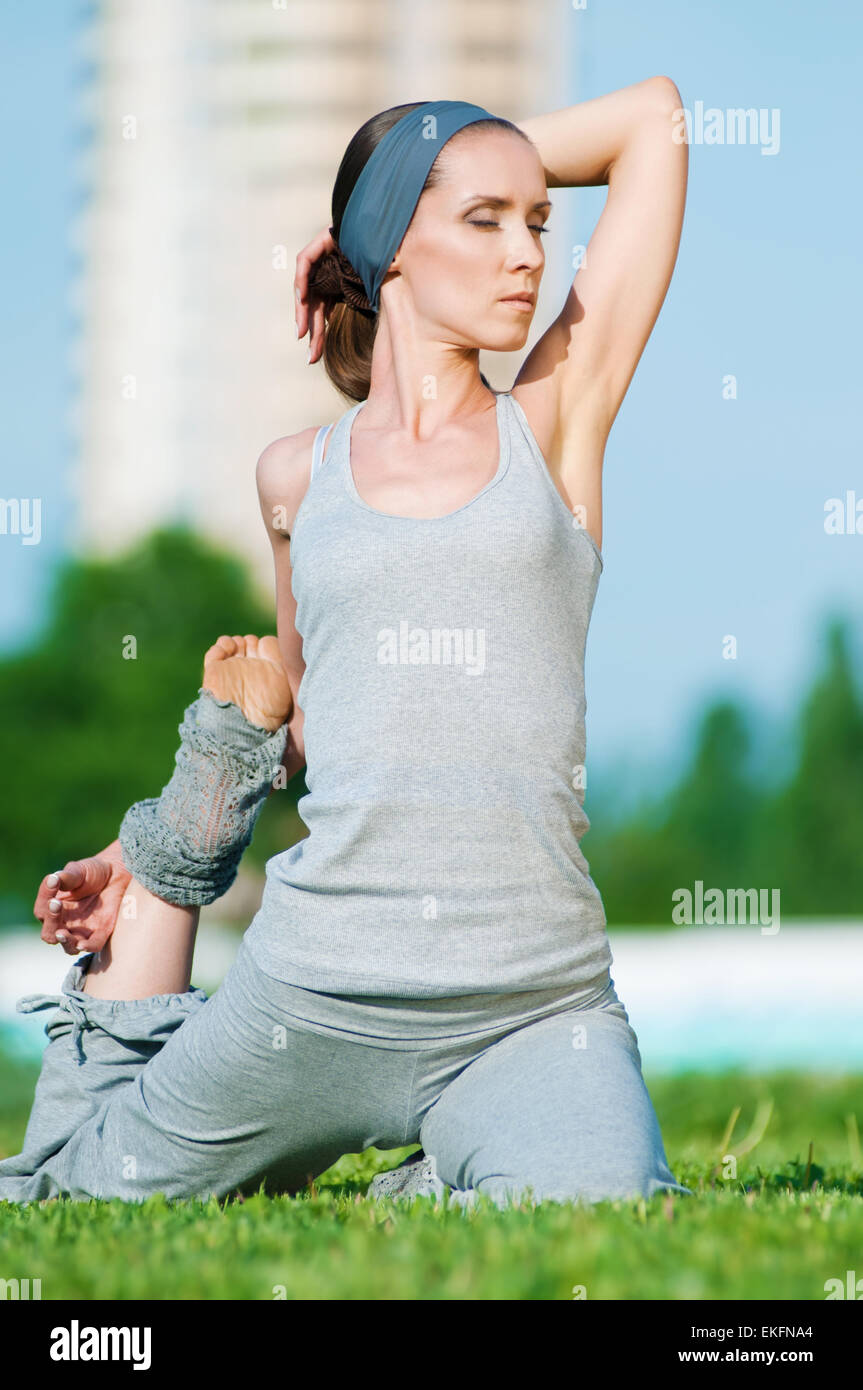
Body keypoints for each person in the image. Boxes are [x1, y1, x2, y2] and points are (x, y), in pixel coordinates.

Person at [2, 89, 691, 1208]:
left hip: (527, 1003)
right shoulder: (295, 478)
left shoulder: (555, 420)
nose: (525, 253)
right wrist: (150, 855)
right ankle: (192, 848)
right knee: (82, 1193)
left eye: (536, 221)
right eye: (484, 219)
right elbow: (318, 724)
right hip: (312, 990)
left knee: (602, 1200)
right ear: (391, 243)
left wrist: (459, 172)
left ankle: (436, 1164)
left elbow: (651, 124)